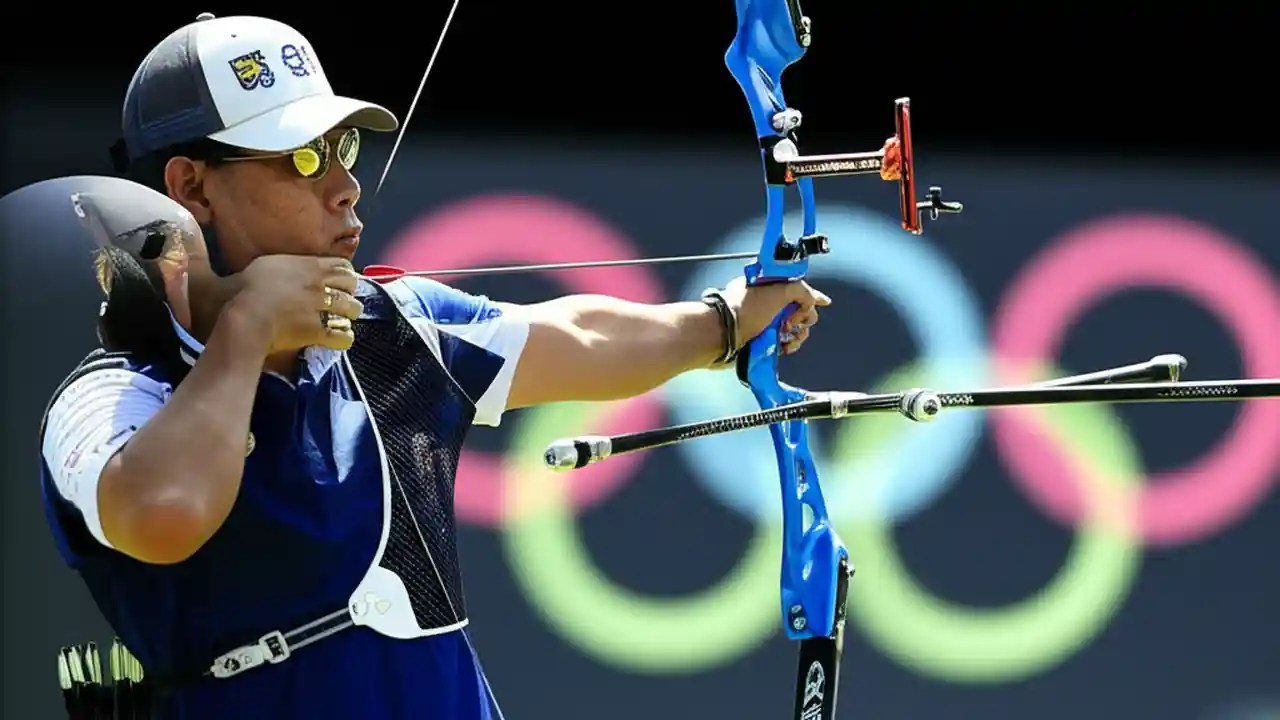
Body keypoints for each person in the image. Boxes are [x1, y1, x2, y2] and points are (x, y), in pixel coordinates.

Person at [35, 12, 832, 720]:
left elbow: (575, 335)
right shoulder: (110, 396)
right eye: (302, 160)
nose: (346, 187)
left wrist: (721, 322)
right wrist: (247, 328)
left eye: (341, 148)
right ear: (190, 187)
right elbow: (163, 513)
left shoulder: (391, 330)